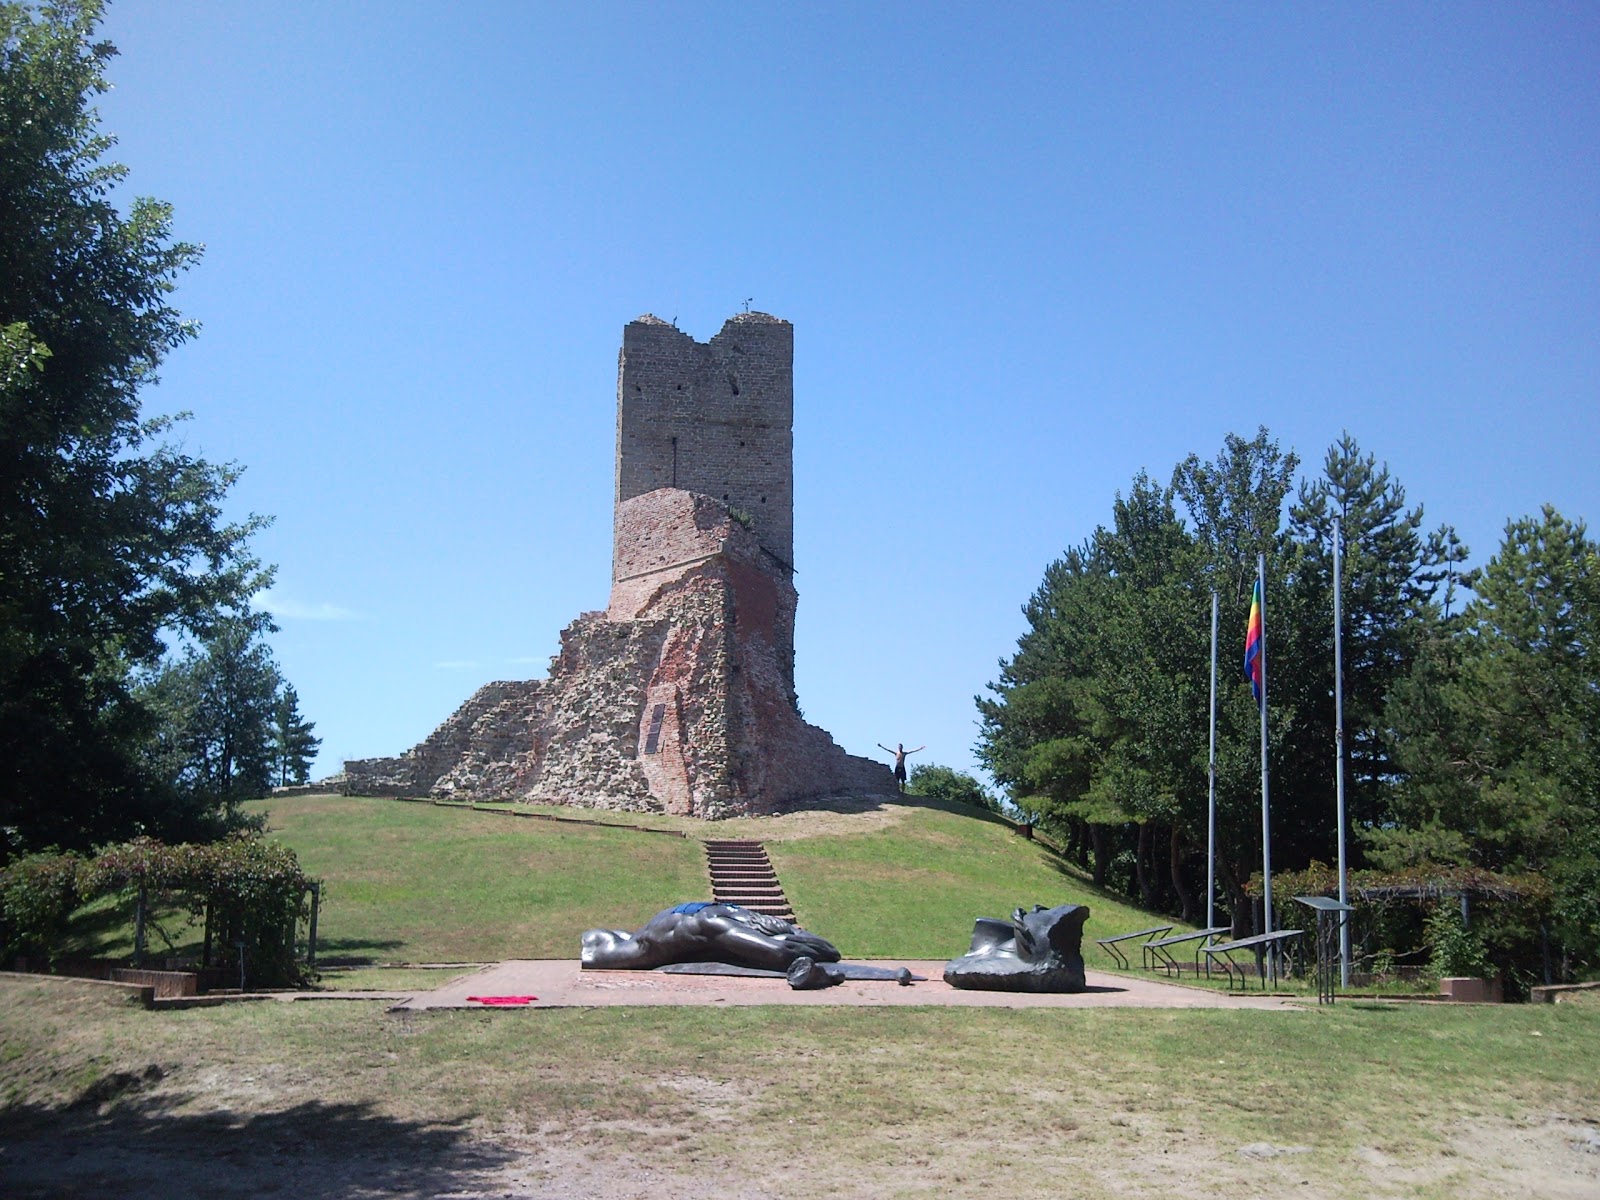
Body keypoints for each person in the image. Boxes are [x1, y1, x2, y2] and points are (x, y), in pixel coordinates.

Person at [580, 902, 841, 971]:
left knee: (629, 939)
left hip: (670, 922)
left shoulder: (736, 915)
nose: (787, 926)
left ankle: (616, 935)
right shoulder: (720, 923)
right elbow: (780, 952)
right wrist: (788, 940)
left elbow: (830, 951)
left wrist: (792, 935)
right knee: (599, 955)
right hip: (656, 940)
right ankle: (599, 940)